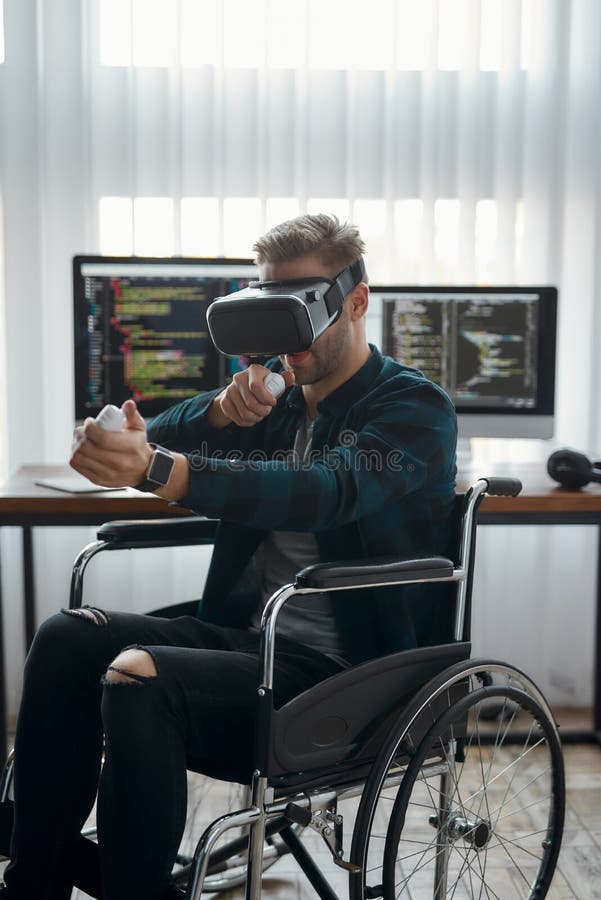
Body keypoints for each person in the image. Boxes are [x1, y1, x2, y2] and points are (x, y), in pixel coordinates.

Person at [0, 214, 457, 900]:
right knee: (69, 637)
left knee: (139, 676)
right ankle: (32, 880)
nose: (287, 346)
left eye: (301, 316)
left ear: (356, 301)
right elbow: (158, 432)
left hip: (355, 672)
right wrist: (217, 412)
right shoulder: (269, 403)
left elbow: (324, 491)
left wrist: (165, 471)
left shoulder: (412, 407)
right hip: (255, 640)